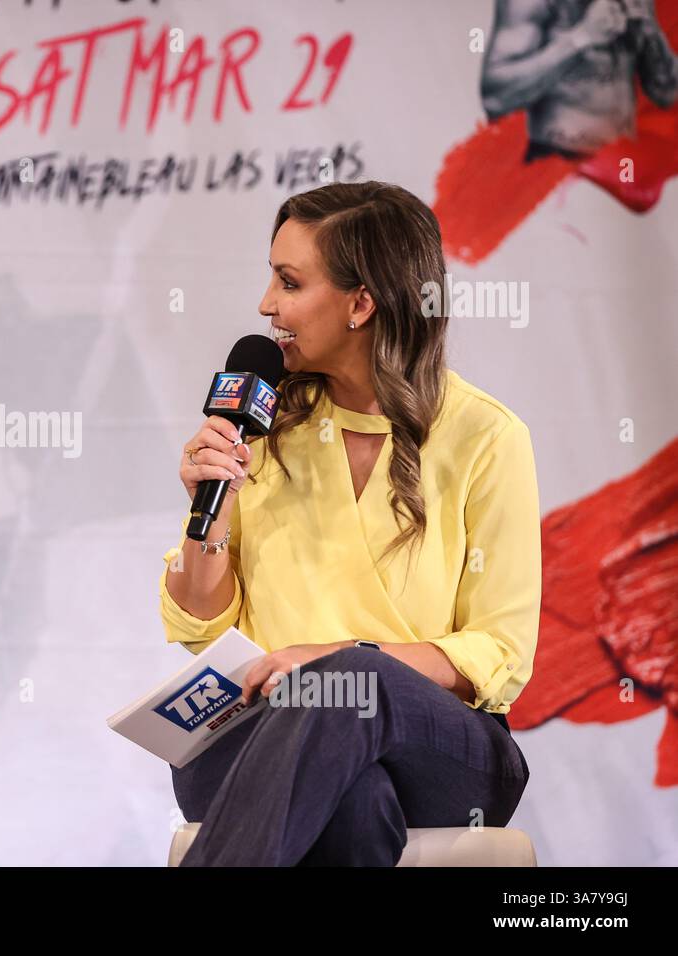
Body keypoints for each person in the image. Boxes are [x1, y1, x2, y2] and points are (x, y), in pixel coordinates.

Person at [160, 181, 540, 867]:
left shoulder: (486, 436)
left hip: (440, 748)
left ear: (361, 303)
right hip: (260, 737)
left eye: (288, 282)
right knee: (356, 804)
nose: (265, 305)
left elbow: (499, 652)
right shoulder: (262, 425)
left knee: (347, 685)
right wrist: (205, 515)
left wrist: (340, 660)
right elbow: (202, 627)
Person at [481, 0, 677, 162]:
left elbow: (668, 93)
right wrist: (582, 37)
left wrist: (652, 34)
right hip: (556, 162)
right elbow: (495, 97)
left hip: (620, 162)